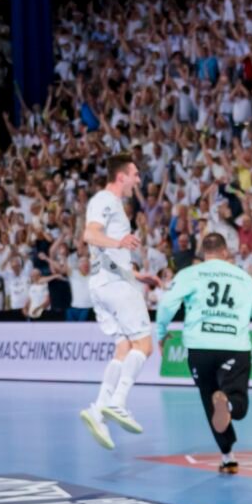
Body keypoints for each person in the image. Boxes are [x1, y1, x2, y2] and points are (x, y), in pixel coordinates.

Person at [153, 233, 252, 473]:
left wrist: (161, 332)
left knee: (209, 400)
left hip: (199, 347)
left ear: (202, 251)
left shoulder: (189, 274)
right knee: (236, 399)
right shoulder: (243, 277)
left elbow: (166, 305)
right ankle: (229, 404)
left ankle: (228, 457)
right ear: (226, 252)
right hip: (234, 347)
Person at [78, 154, 160, 450]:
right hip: (113, 285)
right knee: (145, 346)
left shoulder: (113, 206)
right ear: (122, 176)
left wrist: (139, 275)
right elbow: (90, 234)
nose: (138, 180)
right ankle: (119, 402)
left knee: (124, 346)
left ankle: (98, 410)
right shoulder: (105, 199)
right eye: (135, 174)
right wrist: (120, 242)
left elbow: (109, 255)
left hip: (107, 282)